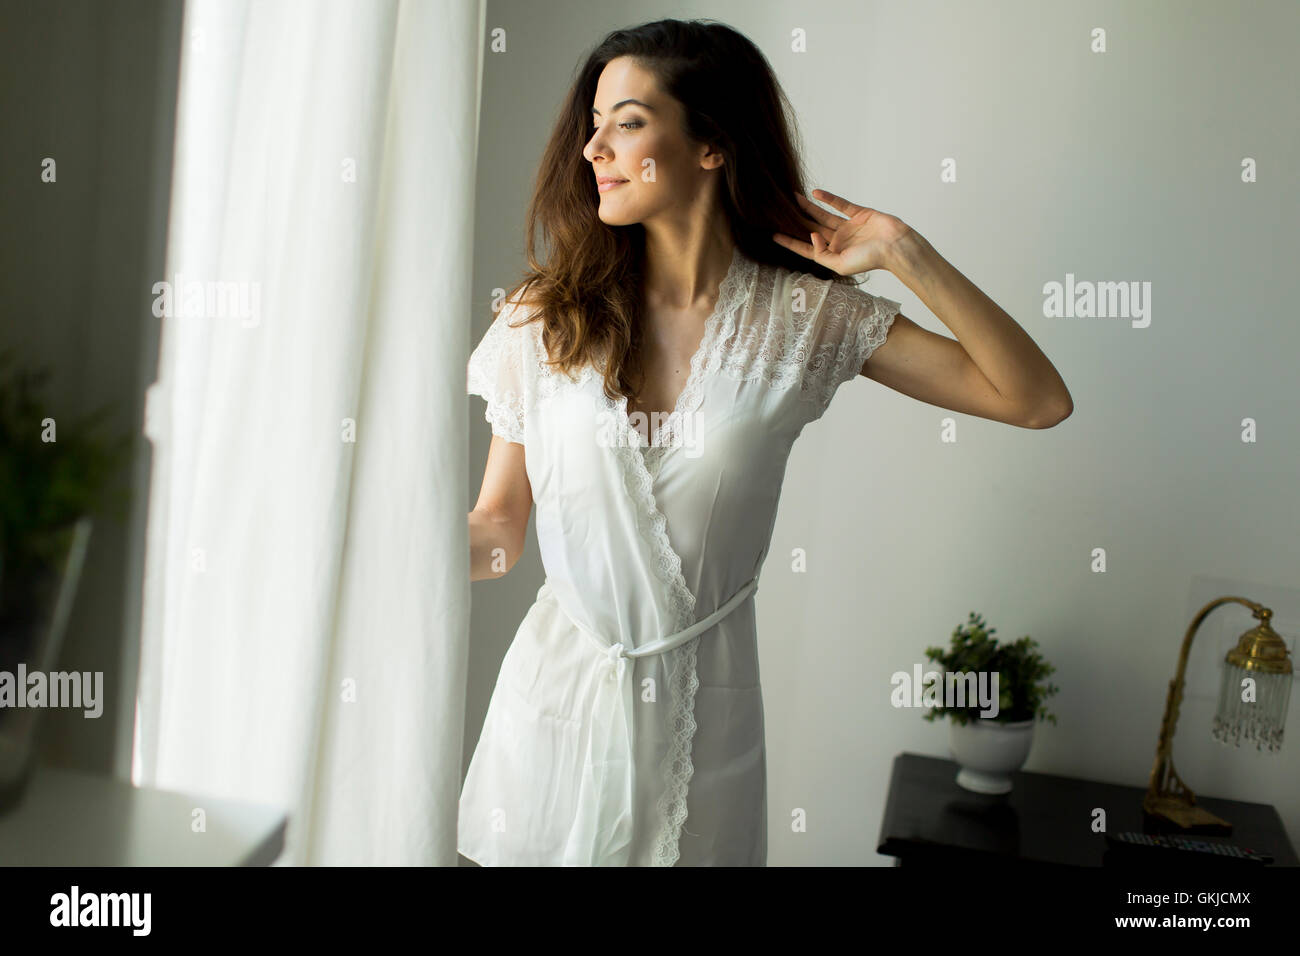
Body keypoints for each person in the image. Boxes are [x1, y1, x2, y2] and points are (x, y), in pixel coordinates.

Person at [460, 18, 1072, 867]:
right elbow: (498, 530)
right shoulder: (543, 318)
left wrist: (902, 251)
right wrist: (381, 550)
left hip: (704, 727)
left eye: (627, 121)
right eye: (593, 124)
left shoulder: (805, 319)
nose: (592, 147)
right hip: (552, 720)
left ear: (711, 143)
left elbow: (1036, 400)